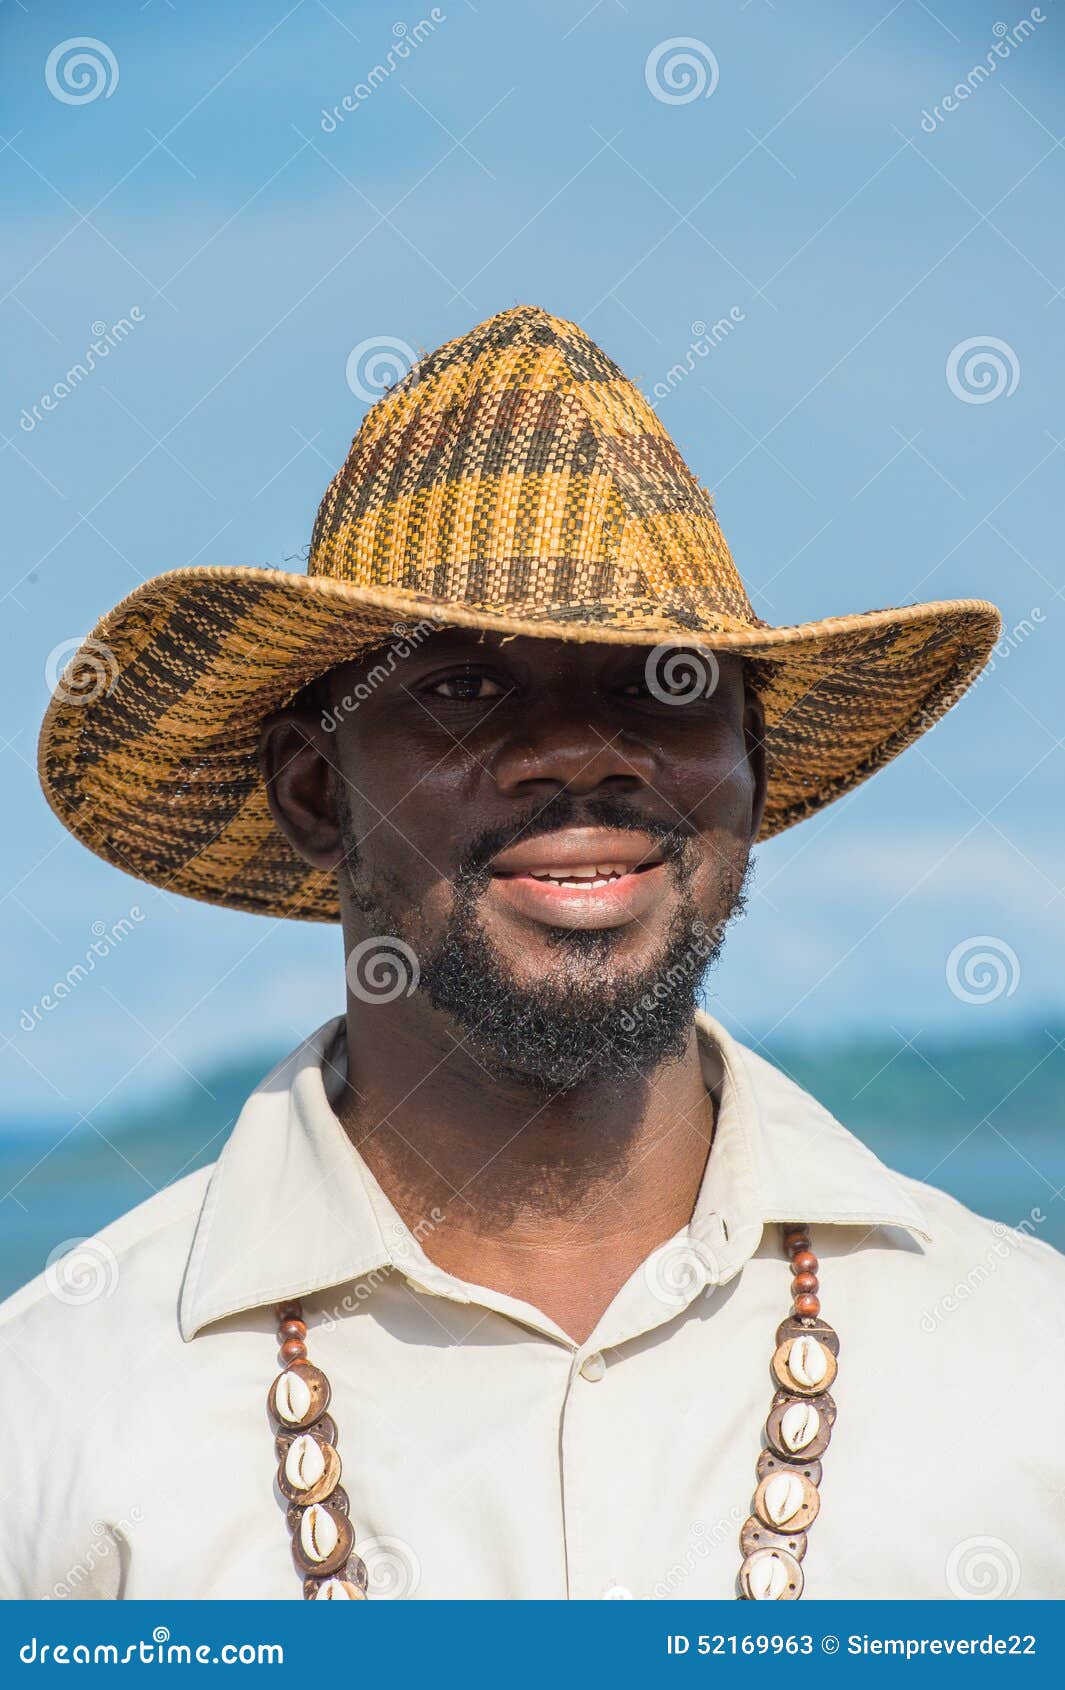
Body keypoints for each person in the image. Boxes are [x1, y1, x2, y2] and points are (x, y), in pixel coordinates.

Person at [4, 305, 1061, 1602]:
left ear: (750, 769)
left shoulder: (1025, 1374)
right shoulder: (51, 1428)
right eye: (461, 688)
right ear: (314, 791)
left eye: (662, 682)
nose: (577, 751)